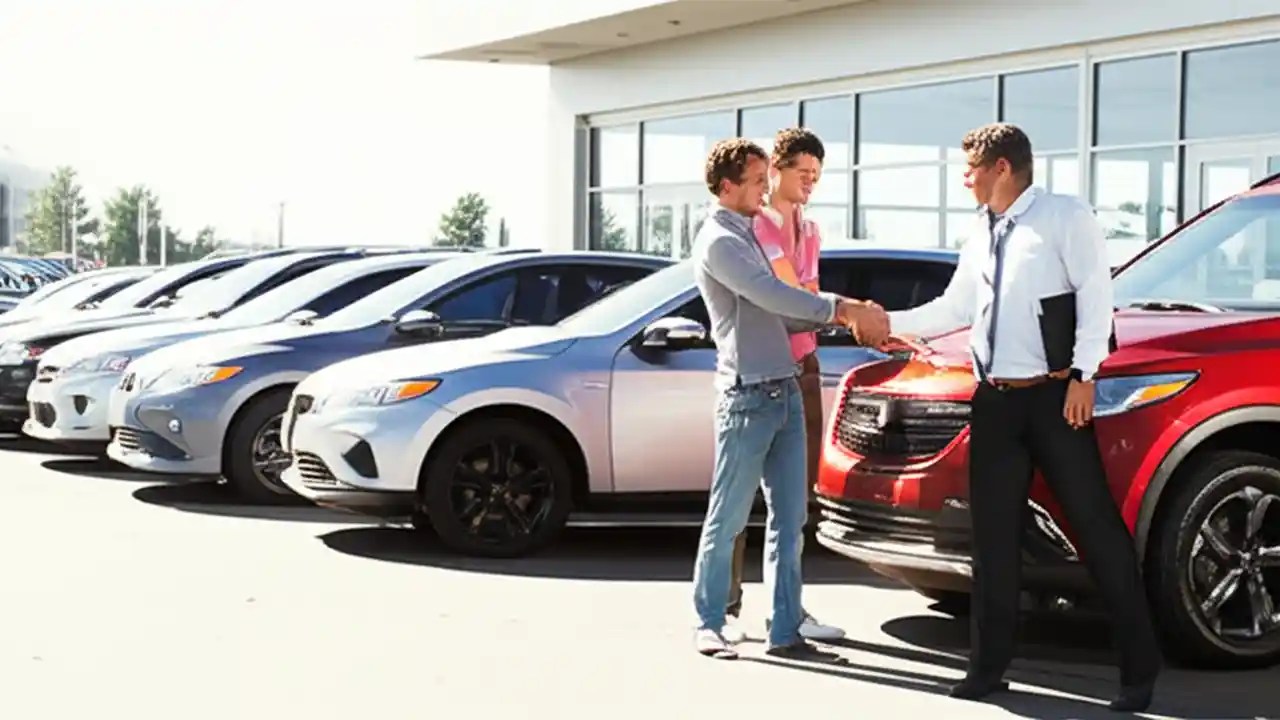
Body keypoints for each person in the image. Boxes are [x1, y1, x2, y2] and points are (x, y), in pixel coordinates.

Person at [887, 122, 1161, 712]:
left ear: (1002, 168)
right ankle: (987, 670)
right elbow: (954, 307)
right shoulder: (980, 230)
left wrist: (1085, 375)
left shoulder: (1065, 216)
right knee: (992, 541)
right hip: (995, 402)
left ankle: (1140, 670)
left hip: (1055, 398)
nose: (964, 179)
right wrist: (888, 324)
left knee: (1095, 527)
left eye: (971, 168)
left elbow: (1095, 296)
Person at [690, 137, 888, 660]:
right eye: (757, 180)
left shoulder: (750, 233)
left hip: (784, 390)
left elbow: (790, 309)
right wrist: (843, 308)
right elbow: (772, 294)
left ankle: (785, 629)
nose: (764, 189)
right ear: (726, 186)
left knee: (791, 518)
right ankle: (709, 621)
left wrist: (855, 319)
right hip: (746, 397)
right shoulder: (720, 241)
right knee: (728, 517)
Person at [718, 127, 844, 645]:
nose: (810, 182)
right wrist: (822, 303)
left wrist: (810, 301)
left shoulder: (810, 230)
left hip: (803, 366)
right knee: (736, 501)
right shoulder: (755, 227)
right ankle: (724, 609)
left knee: (793, 503)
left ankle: (786, 610)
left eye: (816, 174)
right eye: (802, 172)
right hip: (760, 369)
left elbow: (805, 296)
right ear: (775, 169)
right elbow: (787, 293)